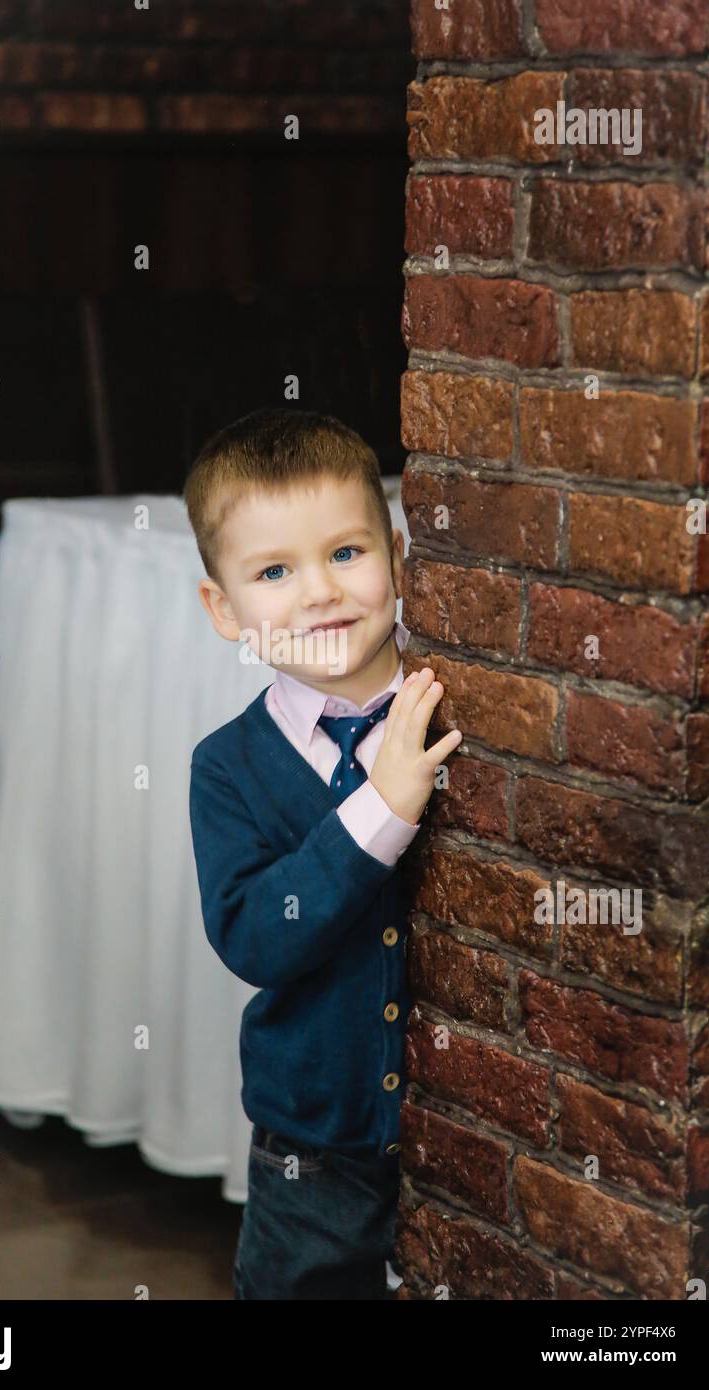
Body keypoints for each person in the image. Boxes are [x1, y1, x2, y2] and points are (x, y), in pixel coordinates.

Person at [184, 406, 463, 1299]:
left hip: (462, 1137)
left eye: (347, 553)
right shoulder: (226, 768)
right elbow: (256, 938)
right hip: (311, 1151)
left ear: (397, 552)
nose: (320, 593)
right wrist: (381, 809)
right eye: (274, 571)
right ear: (225, 610)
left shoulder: (455, 711)